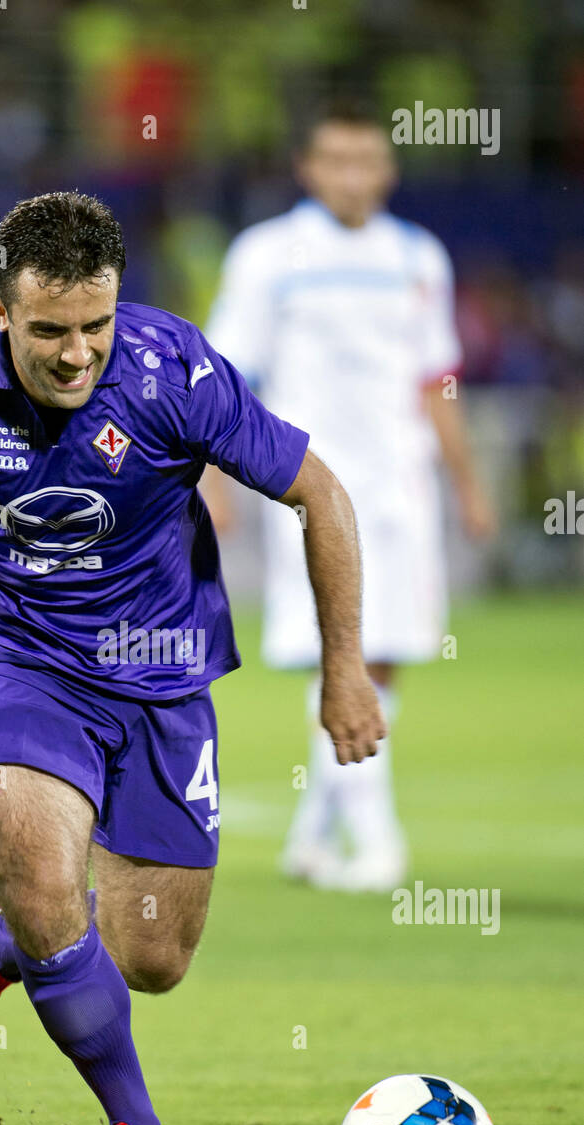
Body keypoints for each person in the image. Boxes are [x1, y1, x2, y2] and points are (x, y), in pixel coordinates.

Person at [0, 189, 385, 1125]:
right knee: (32, 849)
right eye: (48, 330)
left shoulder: (173, 371)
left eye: (93, 326)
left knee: (153, 953)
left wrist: (344, 665)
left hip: (164, 672)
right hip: (20, 663)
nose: (74, 354)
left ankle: (4, 933)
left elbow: (319, 493)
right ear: (0, 309)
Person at [205, 101, 496, 892]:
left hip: (400, 486)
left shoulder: (417, 257)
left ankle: (311, 835)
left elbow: (435, 381)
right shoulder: (268, 254)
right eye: (336, 160)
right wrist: (211, 482)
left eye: (367, 161)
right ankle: (376, 841)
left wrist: (466, 483)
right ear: (307, 167)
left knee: (387, 653)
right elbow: (226, 382)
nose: (353, 176)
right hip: (304, 484)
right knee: (338, 651)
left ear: (388, 169)